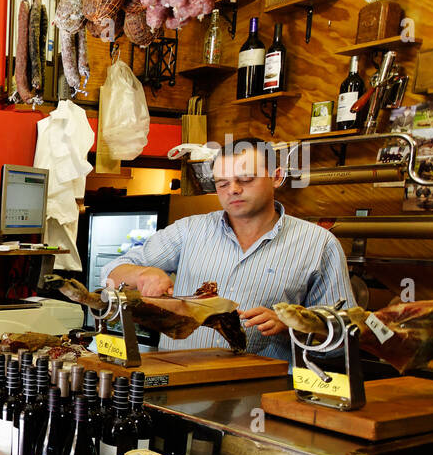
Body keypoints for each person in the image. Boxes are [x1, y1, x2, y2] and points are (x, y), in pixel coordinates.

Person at [100, 137, 354, 362]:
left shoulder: (318, 244)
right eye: (222, 183)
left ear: (277, 176)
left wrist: (292, 324)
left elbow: (344, 336)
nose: (233, 189)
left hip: (263, 394)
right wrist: (141, 273)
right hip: (181, 385)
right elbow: (111, 272)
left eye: (246, 179)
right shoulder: (188, 231)